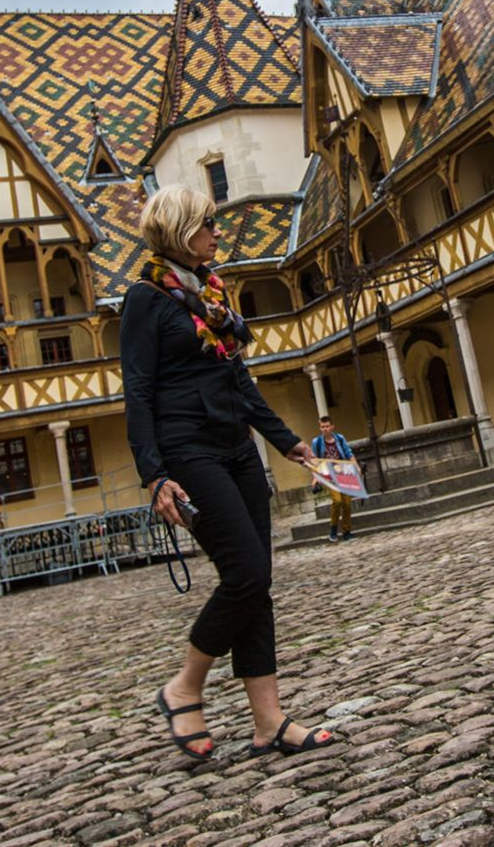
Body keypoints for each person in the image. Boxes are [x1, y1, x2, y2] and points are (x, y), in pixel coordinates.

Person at [122, 184, 337, 761]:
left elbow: (238, 379)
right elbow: (137, 392)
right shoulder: (145, 299)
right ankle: (184, 687)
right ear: (179, 230)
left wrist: (287, 442)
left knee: (257, 582)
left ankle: (269, 723)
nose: (217, 233)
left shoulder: (212, 294)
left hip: (237, 448)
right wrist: (154, 475)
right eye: (207, 224)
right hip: (188, 452)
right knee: (243, 573)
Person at [310, 416, 357, 542]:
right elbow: (315, 461)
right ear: (320, 428)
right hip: (328, 475)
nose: (325, 429)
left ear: (332, 426)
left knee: (347, 503)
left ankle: (347, 531)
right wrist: (315, 478)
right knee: (337, 500)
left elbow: (348, 453)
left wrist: (356, 467)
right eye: (322, 427)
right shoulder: (317, 442)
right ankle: (333, 528)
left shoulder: (340, 439)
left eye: (327, 426)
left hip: (342, 473)